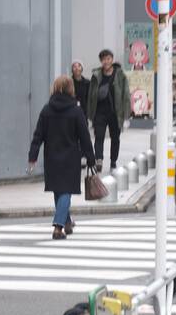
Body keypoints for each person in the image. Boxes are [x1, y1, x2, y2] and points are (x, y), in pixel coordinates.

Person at [28, 75, 96, 240]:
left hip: (51, 158)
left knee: (59, 192)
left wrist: (33, 157)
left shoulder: (47, 109)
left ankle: (67, 222)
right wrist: (91, 158)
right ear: (70, 89)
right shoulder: (76, 111)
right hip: (70, 158)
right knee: (66, 191)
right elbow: (84, 137)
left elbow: (38, 135)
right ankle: (58, 228)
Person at [87, 49, 130, 172]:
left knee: (115, 138)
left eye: (108, 58)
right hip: (99, 112)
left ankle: (113, 161)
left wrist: (126, 116)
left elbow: (126, 96)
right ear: (101, 61)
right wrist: (90, 116)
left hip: (115, 112)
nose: (106, 61)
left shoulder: (120, 75)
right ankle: (99, 159)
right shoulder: (96, 75)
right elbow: (91, 96)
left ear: (112, 59)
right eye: (103, 59)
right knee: (99, 136)